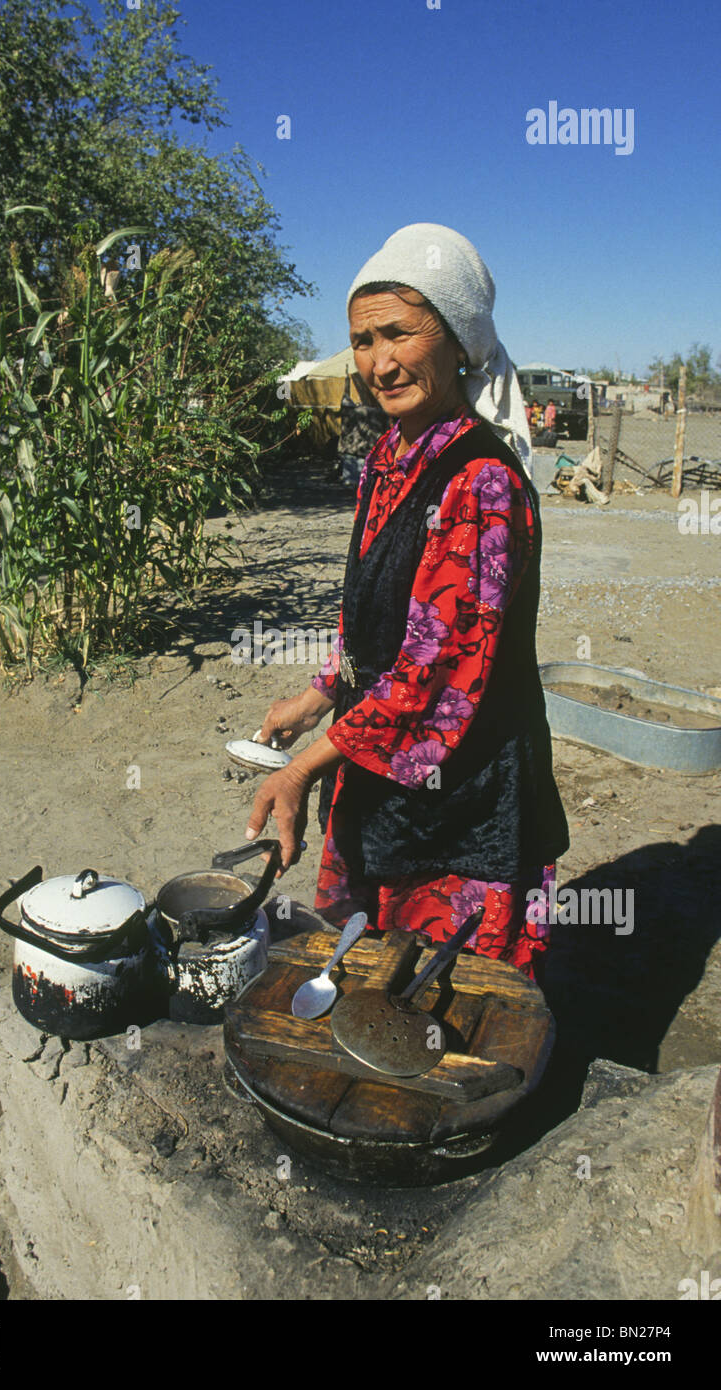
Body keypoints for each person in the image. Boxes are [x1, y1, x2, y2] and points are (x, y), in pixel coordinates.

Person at [244, 223, 569, 981]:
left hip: (466, 802)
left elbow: (436, 677)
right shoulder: (388, 458)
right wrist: (320, 691)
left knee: (451, 1010)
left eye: (398, 333)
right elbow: (380, 613)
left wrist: (299, 773)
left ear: (457, 340)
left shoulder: (481, 482)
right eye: (362, 339)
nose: (378, 362)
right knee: (371, 985)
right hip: (385, 777)